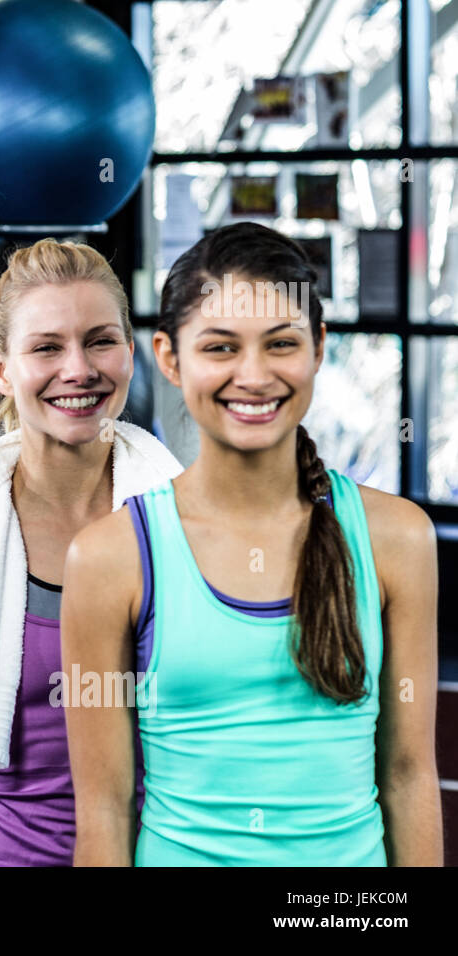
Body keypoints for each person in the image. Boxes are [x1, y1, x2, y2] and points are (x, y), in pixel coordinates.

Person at [63, 221, 443, 866]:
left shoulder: (398, 538)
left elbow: (408, 776)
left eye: (280, 344)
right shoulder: (109, 557)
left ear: (319, 348)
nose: (254, 375)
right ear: (169, 357)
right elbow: (102, 807)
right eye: (220, 347)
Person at [0, 239, 183, 866]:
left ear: (130, 354)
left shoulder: (187, 535)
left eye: (100, 341)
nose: (78, 369)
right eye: (46, 347)